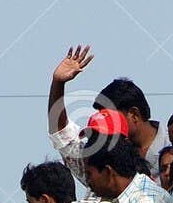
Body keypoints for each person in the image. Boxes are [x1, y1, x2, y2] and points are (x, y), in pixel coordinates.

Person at [48, 46, 163, 176]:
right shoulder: (100, 154)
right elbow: (63, 136)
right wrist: (58, 83)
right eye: (102, 116)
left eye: (110, 117)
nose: (105, 120)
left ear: (134, 115)